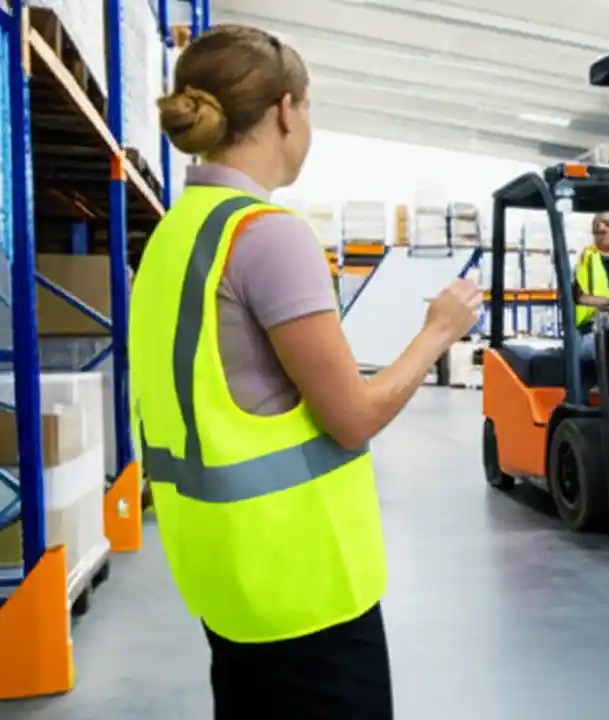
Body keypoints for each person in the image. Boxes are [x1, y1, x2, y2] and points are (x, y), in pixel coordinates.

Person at [131, 24, 481, 719]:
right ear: (286, 111)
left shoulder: (176, 232)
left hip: (224, 574)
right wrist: (437, 333)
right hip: (305, 583)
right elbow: (351, 417)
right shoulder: (267, 234)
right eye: (310, 108)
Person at [572, 211, 609, 363]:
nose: (602, 229)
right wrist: (607, 303)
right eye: (597, 227)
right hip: (589, 330)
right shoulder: (588, 257)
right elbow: (579, 296)